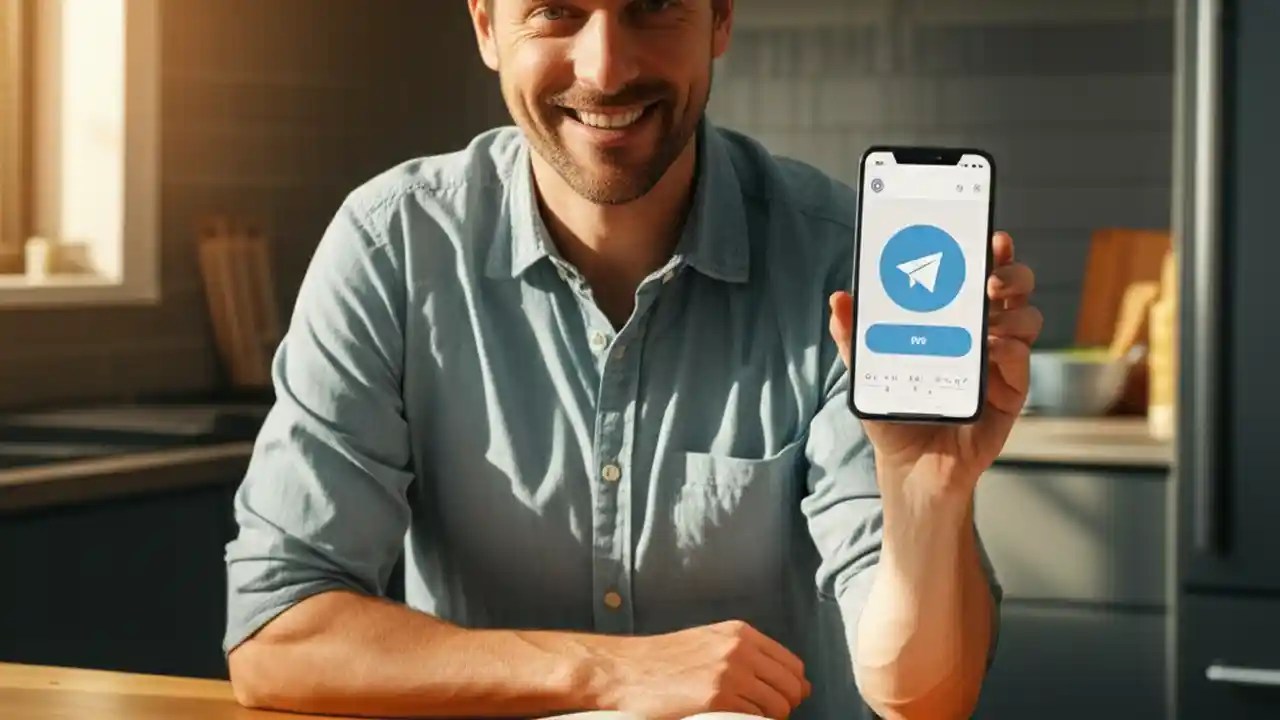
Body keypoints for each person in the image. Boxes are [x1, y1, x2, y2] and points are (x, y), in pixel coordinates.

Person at [223, 1, 1042, 718]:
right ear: (485, 25)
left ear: (720, 17)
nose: (606, 68)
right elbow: (279, 634)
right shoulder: (390, 246)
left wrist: (924, 498)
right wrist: (609, 671)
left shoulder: (842, 267)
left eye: (652, 5)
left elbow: (924, 698)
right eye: (554, 10)